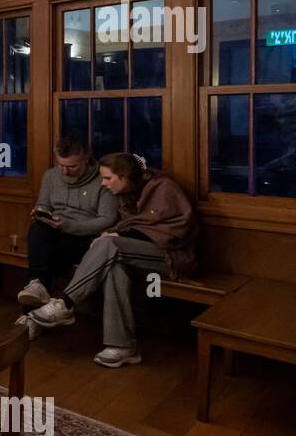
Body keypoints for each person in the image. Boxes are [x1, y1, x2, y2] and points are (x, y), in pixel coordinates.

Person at [23, 152, 198, 368]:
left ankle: (65, 303)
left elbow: (177, 229)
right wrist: (115, 235)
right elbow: (129, 225)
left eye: (108, 178)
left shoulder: (164, 188)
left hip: (171, 255)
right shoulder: (127, 196)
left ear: (124, 176)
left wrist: (119, 237)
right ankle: (123, 347)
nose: (103, 184)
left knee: (109, 244)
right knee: (114, 264)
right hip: (135, 253)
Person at [17, 136, 118, 308]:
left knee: (46, 257)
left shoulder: (103, 180)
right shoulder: (51, 176)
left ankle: (32, 309)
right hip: (52, 230)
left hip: (84, 236)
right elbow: (43, 203)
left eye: (72, 166)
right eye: (61, 165)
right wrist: (41, 213)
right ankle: (38, 292)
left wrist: (69, 226)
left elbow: (107, 219)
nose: (64, 171)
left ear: (86, 159)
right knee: (37, 228)